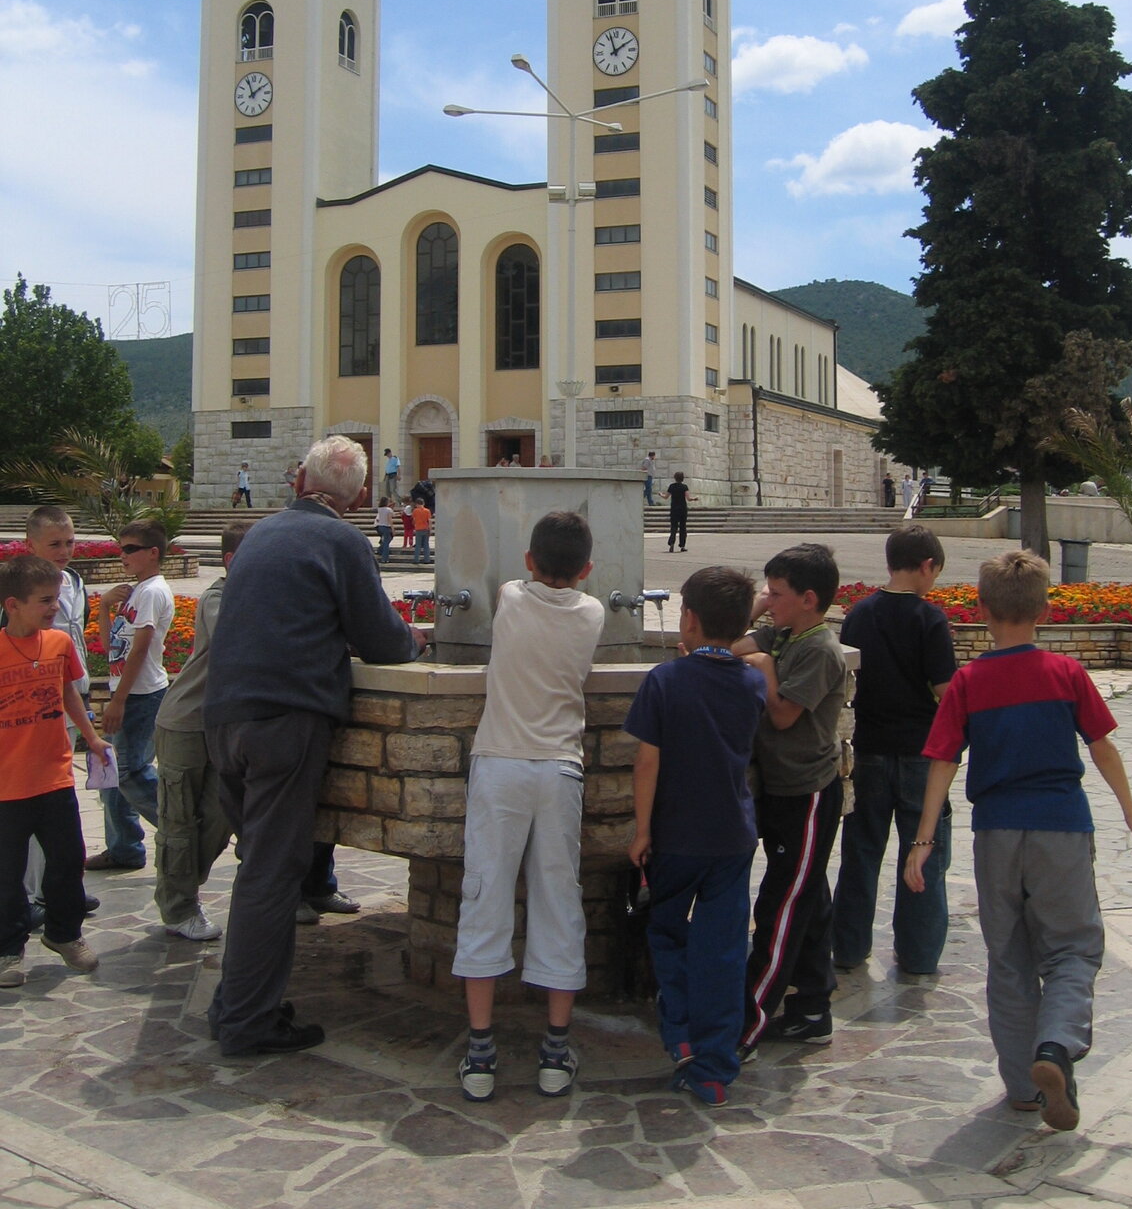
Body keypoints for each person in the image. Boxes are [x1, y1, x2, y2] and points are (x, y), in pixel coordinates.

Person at [905, 549, 1132, 1132]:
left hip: (996, 833)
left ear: (982, 610)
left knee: (1009, 958)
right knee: (1072, 949)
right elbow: (1102, 746)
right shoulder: (1066, 674)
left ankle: (1023, 1087)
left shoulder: (968, 682)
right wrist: (1131, 812)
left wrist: (922, 840)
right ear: (1045, 610)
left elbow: (943, 761)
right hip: (1061, 827)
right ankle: (1056, 1047)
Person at [203, 436, 425, 1056]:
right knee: (274, 873)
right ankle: (248, 1022)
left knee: (257, 866)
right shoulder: (342, 541)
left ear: (302, 480)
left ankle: (233, 1002)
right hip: (284, 720)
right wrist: (414, 641)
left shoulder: (262, 533)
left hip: (225, 718)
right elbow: (381, 639)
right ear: (358, 498)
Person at [453, 511, 605, 1103]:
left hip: (500, 764)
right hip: (560, 769)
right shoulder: (592, 613)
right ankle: (555, 1048)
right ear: (587, 570)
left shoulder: (511, 598)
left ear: (528, 561)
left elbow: (515, 582)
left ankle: (480, 1050)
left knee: (485, 894)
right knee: (559, 898)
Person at [625, 567, 765, 1107]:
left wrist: (642, 830)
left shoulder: (665, 680)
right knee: (724, 949)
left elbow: (647, 762)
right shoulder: (751, 682)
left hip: (676, 834)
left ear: (687, 618)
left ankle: (680, 1032)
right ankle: (715, 1066)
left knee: (665, 931)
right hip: (732, 834)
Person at [732, 544, 850, 1056]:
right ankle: (812, 1007)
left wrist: (764, 665)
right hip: (777, 789)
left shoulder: (819, 649)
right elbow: (724, 645)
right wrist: (758, 611)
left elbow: (783, 715)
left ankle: (747, 1022)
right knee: (809, 898)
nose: (769, 600)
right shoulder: (782, 633)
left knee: (781, 907)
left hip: (807, 794)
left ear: (809, 599)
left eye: (776, 594)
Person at [831, 524, 957, 977]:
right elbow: (945, 690)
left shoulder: (859, 614)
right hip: (920, 753)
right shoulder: (930, 619)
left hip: (868, 750)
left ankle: (848, 947)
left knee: (860, 853)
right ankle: (919, 954)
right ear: (926, 565)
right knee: (925, 851)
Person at [1, 555, 111, 988]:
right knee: (7, 875)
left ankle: (64, 934)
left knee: (67, 860)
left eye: (56, 598)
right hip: (7, 786)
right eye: (45, 600)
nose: (54, 607)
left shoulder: (59, 643)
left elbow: (67, 692)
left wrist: (92, 737)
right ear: (13, 604)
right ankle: (8, 949)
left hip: (54, 777)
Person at [153, 519, 250, 942]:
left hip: (220, 724)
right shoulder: (218, 597)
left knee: (219, 814)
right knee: (179, 819)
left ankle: (184, 888)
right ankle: (178, 907)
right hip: (185, 721)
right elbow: (235, 638)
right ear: (230, 560)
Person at [6, 506, 100, 927]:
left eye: (70, 542)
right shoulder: (19, 589)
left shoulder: (73, 582)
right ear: (31, 545)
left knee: (57, 813)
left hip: (64, 696)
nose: (65, 551)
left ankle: (58, 889)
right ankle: (27, 896)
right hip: (26, 710)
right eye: (55, 544)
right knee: (25, 811)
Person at [86, 520, 174, 873]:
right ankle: (123, 848)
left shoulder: (152, 592)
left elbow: (140, 649)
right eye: (120, 549)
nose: (122, 555)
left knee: (128, 772)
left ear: (152, 553)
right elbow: (112, 646)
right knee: (110, 775)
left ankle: (181, 830)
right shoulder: (136, 591)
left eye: (130, 549)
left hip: (141, 695)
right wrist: (105, 607)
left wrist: (119, 701)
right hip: (125, 690)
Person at [665, 471, 689, 553]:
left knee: (673, 527)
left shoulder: (671, 486)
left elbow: (666, 497)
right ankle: (682, 545)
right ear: (682, 478)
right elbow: (688, 498)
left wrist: (661, 494)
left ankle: (672, 543)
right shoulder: (684, 487)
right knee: (683, 527)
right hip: (682, 509)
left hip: (674, 509)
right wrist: (694, 499)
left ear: (675, 478)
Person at [411, 494, 432, 567]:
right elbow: (429, 521)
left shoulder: (415, 511)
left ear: (417, 504)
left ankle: (416, 559)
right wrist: (430, 529)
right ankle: (427, 559)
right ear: (423, 503)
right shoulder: (427, 511)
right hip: (425, 528)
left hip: (418, 529)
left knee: (418, 545)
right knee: (426, 545)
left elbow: (413, 520)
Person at [375, 495, 395, 565]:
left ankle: (380, 550)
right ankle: (385, 558)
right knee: (386, 543)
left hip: (380, 526)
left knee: (386, 541)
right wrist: (393, 528)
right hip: (386, 526)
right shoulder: (388, 510)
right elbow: (390, 519)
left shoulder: (380, 509)